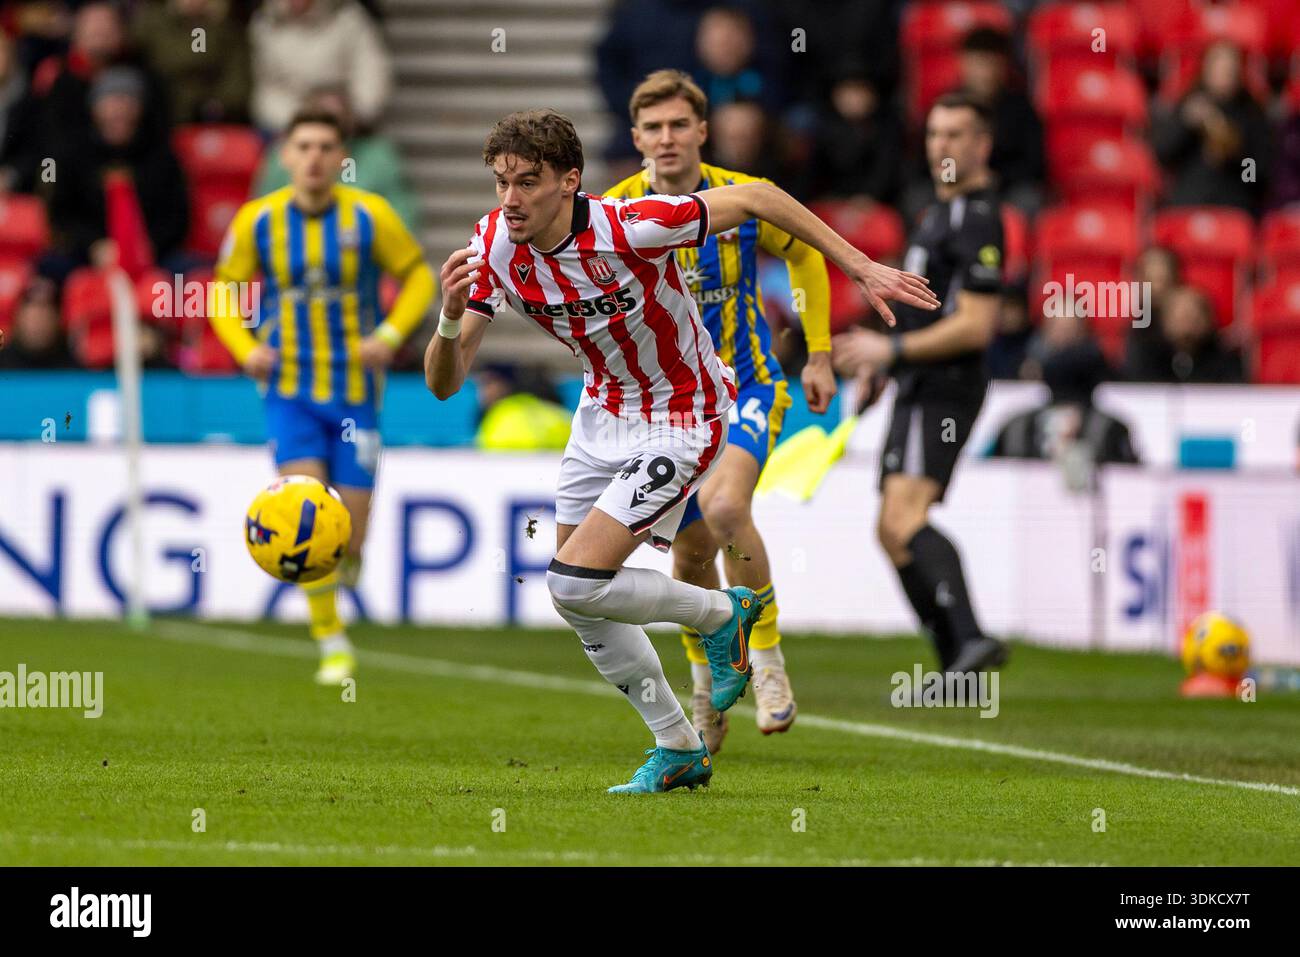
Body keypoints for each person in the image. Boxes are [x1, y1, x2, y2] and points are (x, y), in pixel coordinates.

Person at [426, 108, 936, 793]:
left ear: (570, 180)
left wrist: (860, 264)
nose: (510, 200)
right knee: (578, 598)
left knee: (573, 580)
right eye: (500, 183)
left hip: (683, 412)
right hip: (600, 414)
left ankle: (724, 614)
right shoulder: (492, 245)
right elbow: (445, 382)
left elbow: (757, 197)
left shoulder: (629, 226)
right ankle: (678, 744)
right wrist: (449, 316)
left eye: (528, 182)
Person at [602, 69, 834, 750]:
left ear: (702, 131)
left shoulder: (745, 198)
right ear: (637, 136)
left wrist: (817, 353)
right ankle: (705, 694)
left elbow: (809, 256)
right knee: (692, 553)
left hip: (749, 387)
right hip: (672, 407)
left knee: (729, 508)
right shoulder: (616, 210)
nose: (667, 138)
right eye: (653, 128)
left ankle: (767, 661)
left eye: (679, 125)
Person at [208, 107, 436, 684]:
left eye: (325, 147)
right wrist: (243, 348)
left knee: (350, 538)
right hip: (289, 390)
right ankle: (331, 643)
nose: (314, 157)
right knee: (307, 510)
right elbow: (223, 290)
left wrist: (387, 335)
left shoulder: (370, 216)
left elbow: (418, 276)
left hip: (356, 393)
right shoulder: (259, 221)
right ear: (285, 156)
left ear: (343, 159)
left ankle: (344, 574)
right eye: (303, 146)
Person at [833, 91, 1006, 675]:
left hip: (946, 385)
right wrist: (888, 366)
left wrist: (893, 350)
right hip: (917, 382)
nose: (943, 147)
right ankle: (956, 659)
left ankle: (972, 641)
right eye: (935, 134)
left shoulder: (977, 216)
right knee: (891, 528)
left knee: (906, 517)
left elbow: (977, 325)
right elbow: (923, 311)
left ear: (982, 146)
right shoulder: (934, 214)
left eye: (957, 135)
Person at [40, 65, 189, 283]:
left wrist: (149, 246)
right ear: (94, 108)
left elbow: (178, 216)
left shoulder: (161, 155)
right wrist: (94, 246)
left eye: (128, 100)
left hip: (154, 256)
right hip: (89, 255)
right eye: (111, 100)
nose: (119, 110)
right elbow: (61, 215)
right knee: (46, 271)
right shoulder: (73, 155)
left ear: (141, 108)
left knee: (192, 274)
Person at [252, 86, 419, 231]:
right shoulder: (283, 155)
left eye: (327, 146)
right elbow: (261, 210)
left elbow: (403, 212)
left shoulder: (378, 156)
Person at [990, 313, 1139, 467]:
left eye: (1069, 330)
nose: (1063, 337)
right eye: (1058, 329)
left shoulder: (1109, 429)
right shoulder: (1016, 428)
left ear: (1084, 333)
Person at [1152, 40, 1271, 215]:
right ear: (1205, 70)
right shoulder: (1189, 106)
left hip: (1233, 208)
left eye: (1229, 69)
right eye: (1218, 67)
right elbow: (1161, 154)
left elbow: (1256, 176)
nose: (1224, 74)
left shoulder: (1252, 115)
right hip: (1189, 204)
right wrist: (1185, 124)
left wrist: (1235, 153)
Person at [249, 0, 391, 135]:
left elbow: (371, 70)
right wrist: (300, 120)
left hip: (347, 121)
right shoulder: (265, 24)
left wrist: (355, 112)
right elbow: (266, 87)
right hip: (285, 126)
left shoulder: (349, 18)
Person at [1124, 285, 1245, 384]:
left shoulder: (1225, 360)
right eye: (1180, 316)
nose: (1187, 323)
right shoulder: (1146, 358)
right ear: (1164, 320)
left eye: (1194, 316)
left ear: (1208, 319)